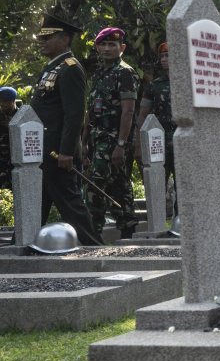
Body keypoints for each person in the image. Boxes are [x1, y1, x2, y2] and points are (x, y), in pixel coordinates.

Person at [29, 15, 104, 245]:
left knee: (71, 205)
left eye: (48, 37)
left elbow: (74, 114)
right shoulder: (53, 67)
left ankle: (95, 248)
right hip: (44, 150)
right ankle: (22, 244)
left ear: (64, 38)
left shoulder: (70, 68)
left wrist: (67, 151)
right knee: (35, 204)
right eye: (41, 37)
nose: (42, 42)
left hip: (58, 153)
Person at [85, 27, 138, 239]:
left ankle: (92, 234)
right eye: (103, 45)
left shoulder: (125, 72)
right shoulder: (99, 73)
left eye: (112, 45)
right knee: (118, 185)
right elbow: (90, 110)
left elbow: (129, 111)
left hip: (115, 141)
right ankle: (127, 229)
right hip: (97, 139)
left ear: (122, 48)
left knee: (95, 186)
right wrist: (83, 142)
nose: (107, 48)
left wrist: (121, 144)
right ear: (97, 47)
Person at [135, 42, 177, 218]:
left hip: (181, 144)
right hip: (159, 144)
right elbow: (143, 115)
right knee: (157, 186)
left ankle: (182, 226)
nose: (165, 60)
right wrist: (139, 143)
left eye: (168, 55)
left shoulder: (189, 82)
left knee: (184, 188)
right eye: (162, 56)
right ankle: (157, 224)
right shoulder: (155, 86)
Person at [0, 86, 17, 189]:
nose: (2, 104)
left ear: (13, 101)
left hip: (15, 160)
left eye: (5, 101)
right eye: (0, 101)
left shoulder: (21, 116)